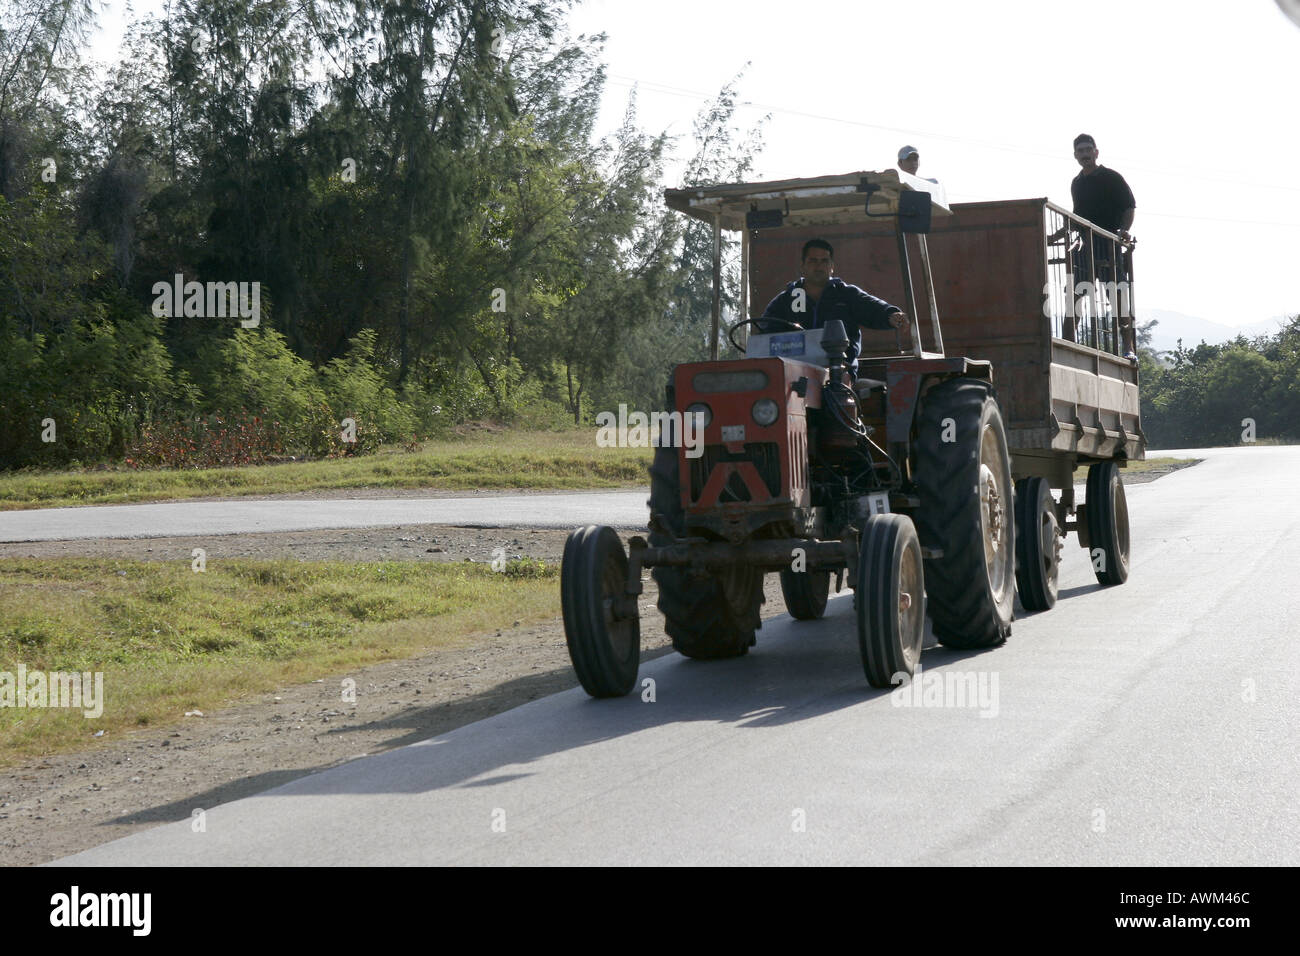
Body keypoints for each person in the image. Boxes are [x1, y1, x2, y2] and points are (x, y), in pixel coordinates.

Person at [757, 238, 909, 375]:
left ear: (832, 267)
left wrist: (891, 315)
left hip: (840, 370)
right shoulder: (785, 300)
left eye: (824, 261)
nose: (819, 266)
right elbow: (765, 335)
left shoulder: (846, 294)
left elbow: (873, 308)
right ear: (803, 266)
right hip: (794, 373)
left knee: (837, 393)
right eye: (813, 261)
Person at [1070, 133, 1138, 359]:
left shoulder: (1111, 178)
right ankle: (1068, 339)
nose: (1085, 154)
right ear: (1075, 155)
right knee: (1075, 292)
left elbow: (1129, 207)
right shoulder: (1077, 183)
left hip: (1108, 245)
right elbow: (1078, 214)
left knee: (1117, 295)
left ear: (1096, 152)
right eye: (1081, 151)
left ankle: (1127, 347)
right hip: (1085, 246)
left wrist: (1123, 231)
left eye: (1089, 150)